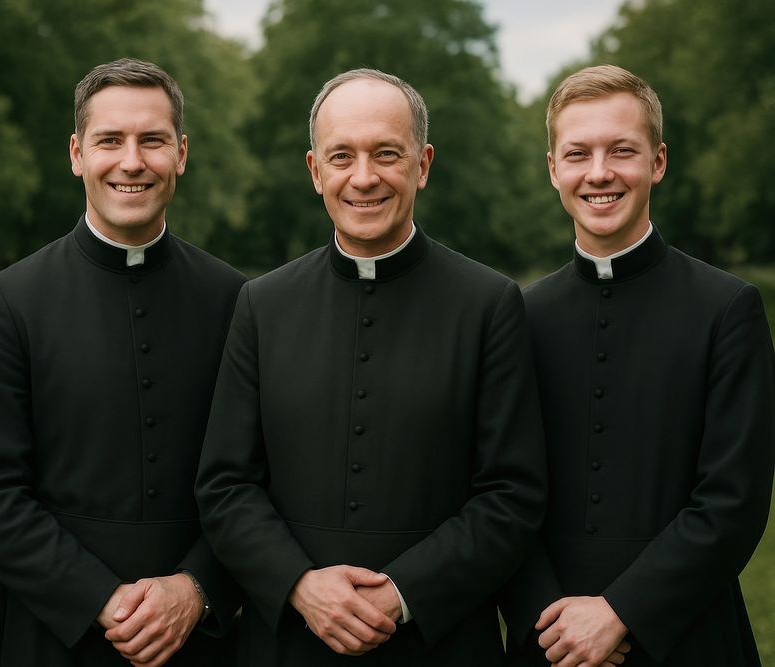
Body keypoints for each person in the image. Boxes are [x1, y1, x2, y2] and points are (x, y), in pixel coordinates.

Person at [195, 68, 547, 665]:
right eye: (342, 157)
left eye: (386, 153)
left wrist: (402, 594)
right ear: (315, 171)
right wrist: (301, 585)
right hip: (288, 644)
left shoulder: (488, 304)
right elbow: (225, 485)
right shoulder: (262, 304)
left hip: (439, 644)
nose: (363, 177)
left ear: (422, 164)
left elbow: (512, 493)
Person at [0, 58, 244, 667]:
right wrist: (97, 598)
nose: (132, 162)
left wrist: (196, 589)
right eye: (110, 140)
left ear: (181, 153)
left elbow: (255, 477)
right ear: (76, 154)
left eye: (153, 140)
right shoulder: (9, 300)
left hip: (199, 640)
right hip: (51, 636)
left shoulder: (234, 299)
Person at [501, 64, 775, 666]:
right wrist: (548, 619)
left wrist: (622, 611)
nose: (599, 172)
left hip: (691, 636)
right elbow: (500, 492)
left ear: (658, 161)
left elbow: (734, 500)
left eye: (622, 150)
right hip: (547, 642)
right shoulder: (519, 315)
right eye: (578, 153)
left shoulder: (728, 309)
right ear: (553, 169)